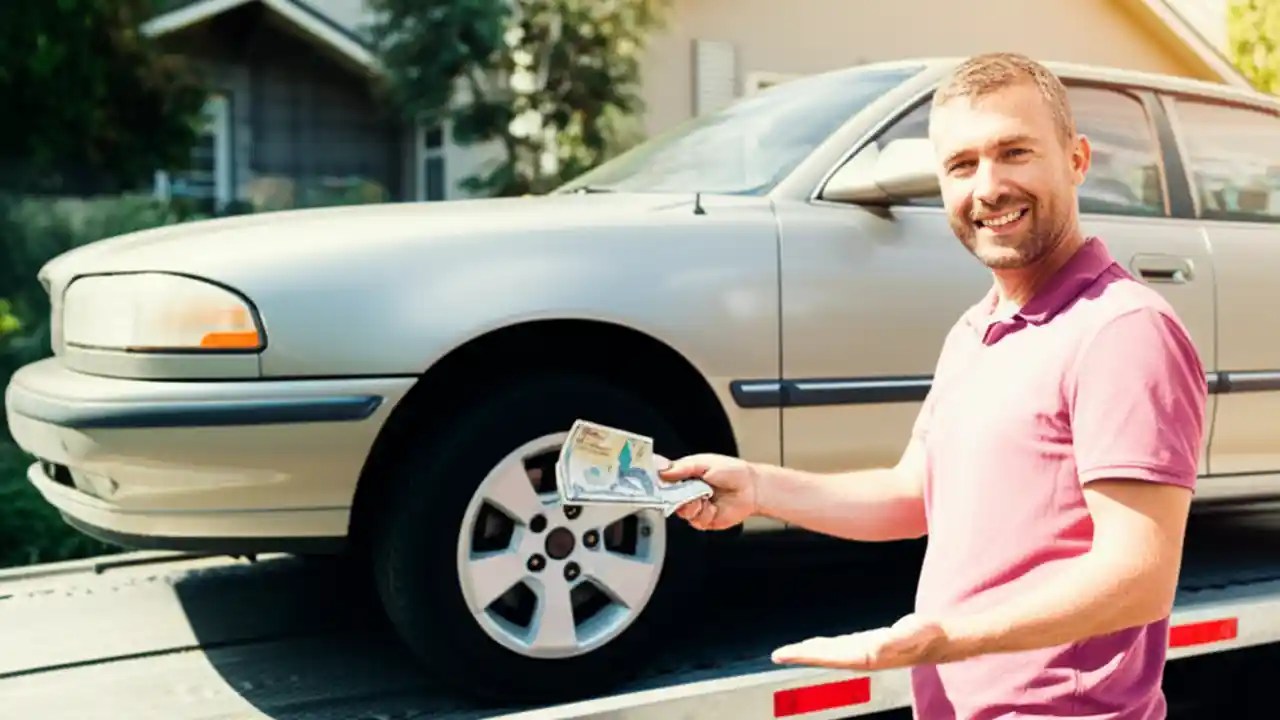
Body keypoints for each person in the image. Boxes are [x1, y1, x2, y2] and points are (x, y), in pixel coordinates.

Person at [658, 52, 1207, 719]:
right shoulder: (976, 329)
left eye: (1014, 152)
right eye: (961, 165)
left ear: (1077, 159)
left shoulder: (1122, 329)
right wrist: (758, 487)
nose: (989, 186)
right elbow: (912, 494)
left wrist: (949, 638)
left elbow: (1139, 579)